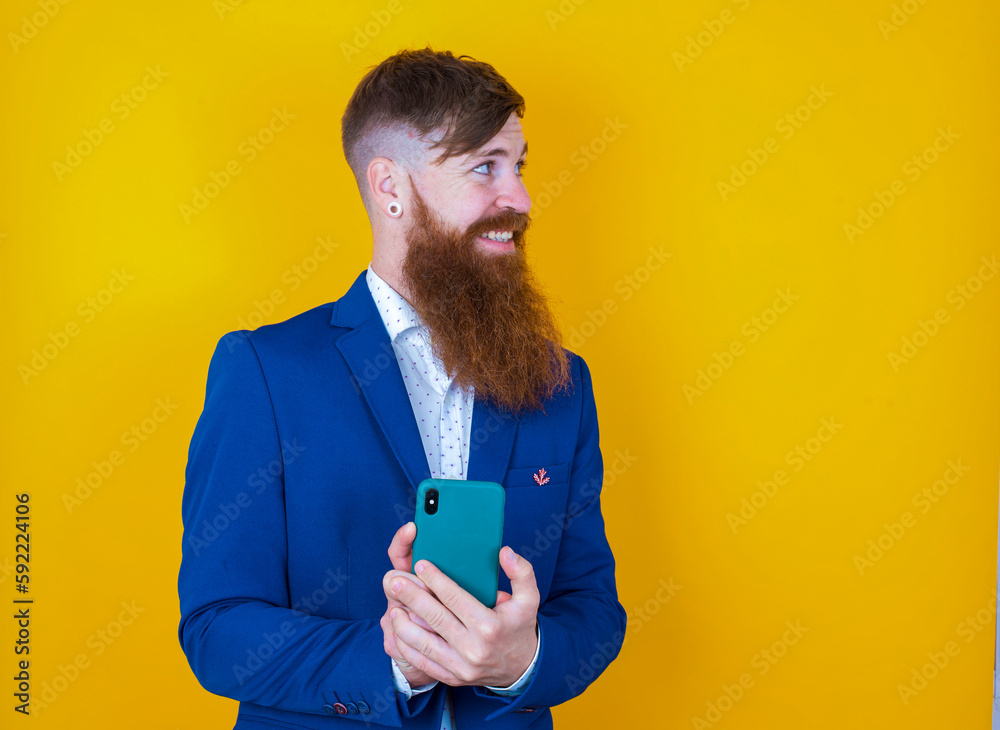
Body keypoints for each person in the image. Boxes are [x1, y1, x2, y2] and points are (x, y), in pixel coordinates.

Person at [178, 46, 625, 729]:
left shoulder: (562, 382)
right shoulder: (265, 372)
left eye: (519, 165)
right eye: (486, 167)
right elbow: (215, 627)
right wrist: (390, 656)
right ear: (391, 187)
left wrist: (524, 659)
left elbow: (593, 610)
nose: (522, 199)